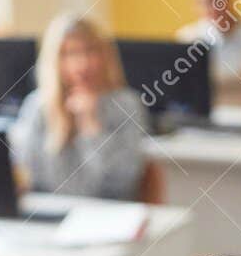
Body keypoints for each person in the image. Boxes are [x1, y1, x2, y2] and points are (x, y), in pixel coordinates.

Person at [9, 13, 147, 200]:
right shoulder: (38, 105)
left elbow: (121, 183)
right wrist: (58, 131)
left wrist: (91, 127)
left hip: (108, 215)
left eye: (91, 51)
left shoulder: (126, 104)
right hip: (51, 214)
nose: (83, 64)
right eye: (70, 53)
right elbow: (27, 176)